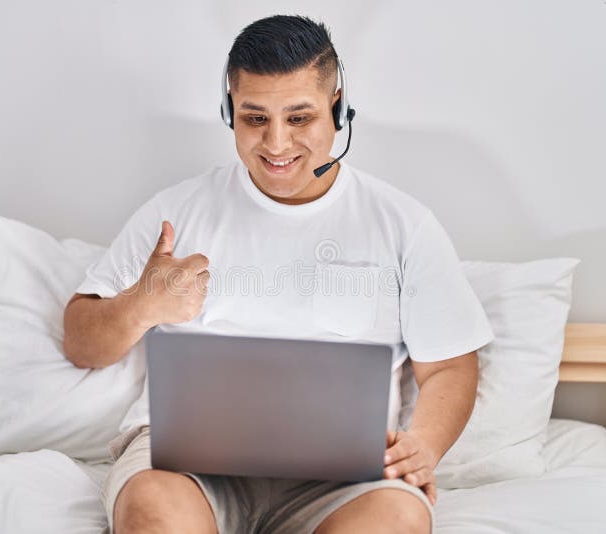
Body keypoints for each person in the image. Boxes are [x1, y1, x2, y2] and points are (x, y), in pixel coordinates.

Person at [63, 14, 493, 534]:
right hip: (187, 466)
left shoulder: (403, 224)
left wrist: (422, 444)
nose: (276, 143)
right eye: (254, 118)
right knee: (153, 507)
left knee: (398, 517)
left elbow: (450, 365)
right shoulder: (176, 212)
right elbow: (81, 343)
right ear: (229, 112)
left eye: (298, 118)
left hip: (346, 477)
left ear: (338, 108)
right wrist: (141, 305)